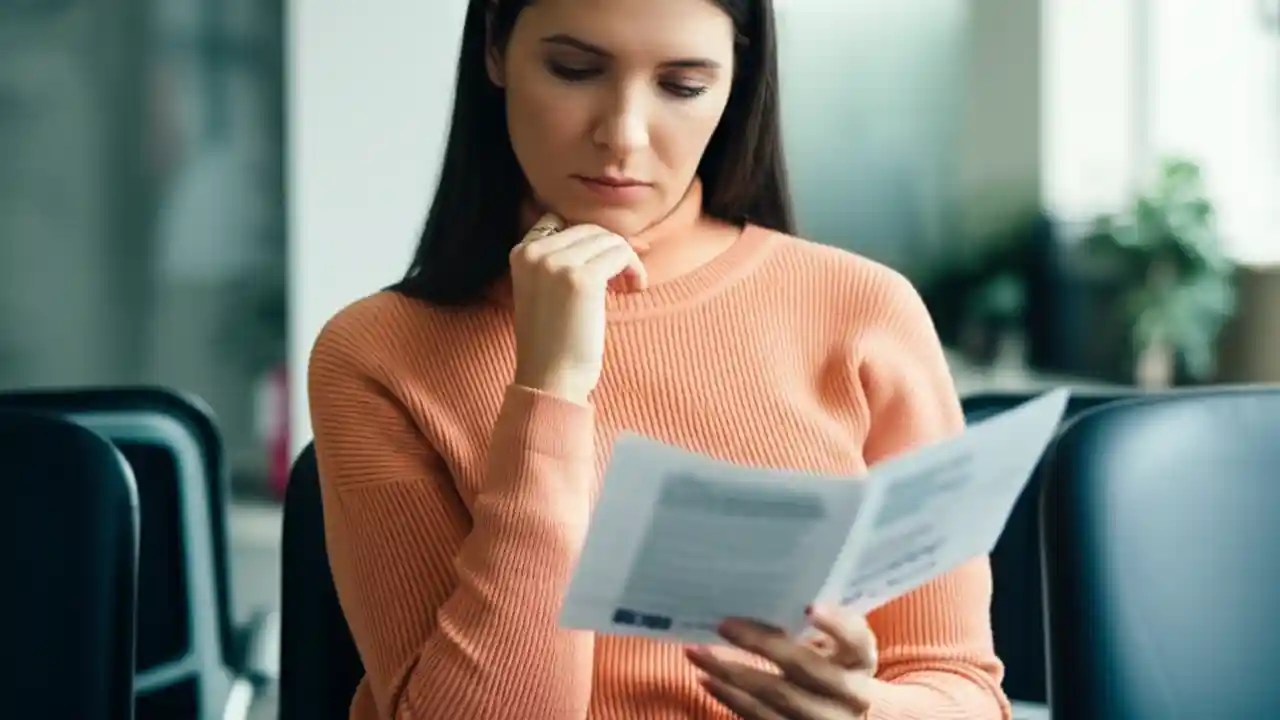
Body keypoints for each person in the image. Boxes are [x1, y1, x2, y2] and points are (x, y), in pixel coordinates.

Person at [307, 0, 1011, 718]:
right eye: (574, 70)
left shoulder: (862, 310)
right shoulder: (379, 352)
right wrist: (551, 390)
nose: (623, 135)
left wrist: (863, 711)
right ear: (495, 49)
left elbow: (958, 683)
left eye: (682, 87)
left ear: (737, 81)